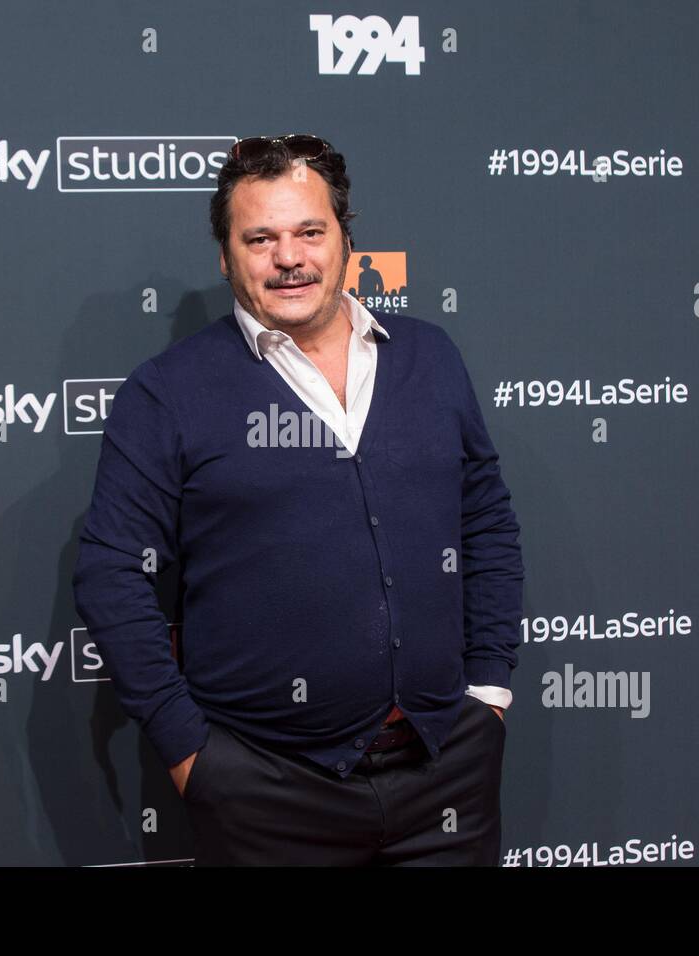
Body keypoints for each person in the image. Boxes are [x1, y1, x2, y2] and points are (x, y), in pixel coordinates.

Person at [73, 133, 524, 865]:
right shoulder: (168, 393)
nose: (289, 257)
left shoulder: (430, 356)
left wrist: (490, 692)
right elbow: (111, 574)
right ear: (226, 257)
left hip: (447, 773)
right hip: (267, 794)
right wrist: (193, 756)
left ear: (346, 240)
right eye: (261, 238)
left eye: (310, 232)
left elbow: (486, 522)